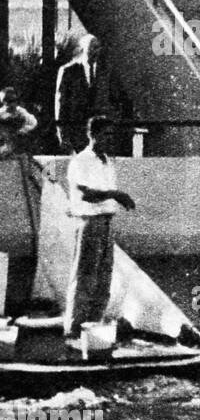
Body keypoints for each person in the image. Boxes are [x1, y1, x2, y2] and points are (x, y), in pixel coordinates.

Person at [64, 115, 135, 339]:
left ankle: (93, 327)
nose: (109, 139)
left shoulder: (106, 161)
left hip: (106, 222)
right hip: (89, 222)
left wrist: (114, 198)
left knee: (104, 277)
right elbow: (85, 193)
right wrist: (115, 194)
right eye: (105, 134)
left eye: (111, 135)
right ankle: (75, 328)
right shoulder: (81, 161)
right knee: (85, 276)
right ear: (92, 134)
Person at [55, 34, 105, 153]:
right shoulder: (68, 71)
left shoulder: (103, 72)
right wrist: (62, 133)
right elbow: (61, 103)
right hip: (76, 133)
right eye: (92, 48)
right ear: (83, 49)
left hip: (96, 137)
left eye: (98, 48)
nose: (95, 51)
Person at [0, 86, 38, 157]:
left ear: (16, 101)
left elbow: (33, 122)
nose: (8, 104)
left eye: (11, 101)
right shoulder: (1, 113)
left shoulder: (20, 111)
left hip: (18, 142)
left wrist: (23, 130)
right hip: (5, 141)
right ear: (2, 102)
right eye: (5, 101)